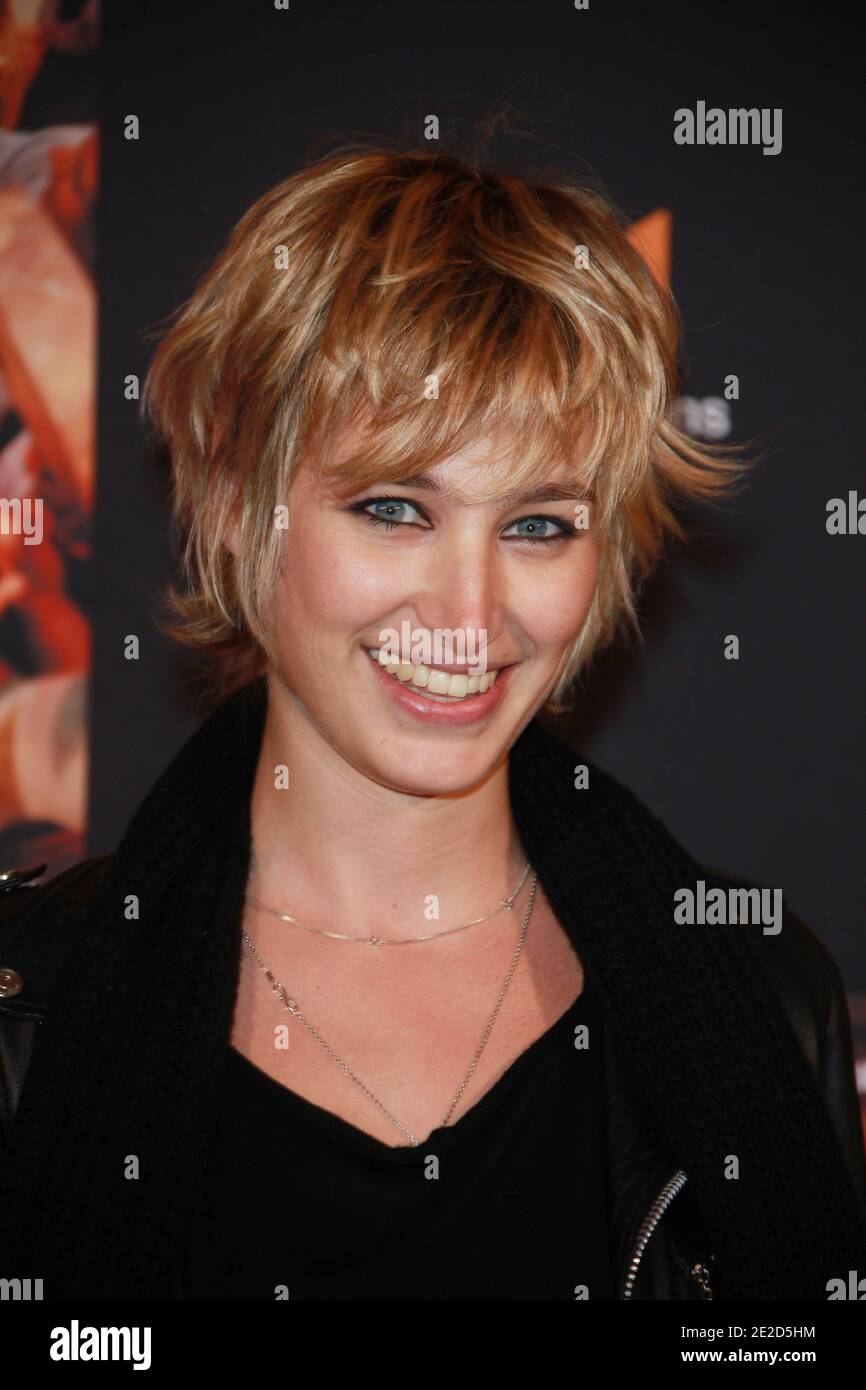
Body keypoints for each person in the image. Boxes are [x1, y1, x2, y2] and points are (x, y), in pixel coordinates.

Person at [0, 146, 864, 1302]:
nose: (468, 613)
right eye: (394, 507)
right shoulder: (29, 1009)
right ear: (235, 500)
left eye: (539, 524)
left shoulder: (761, 995)